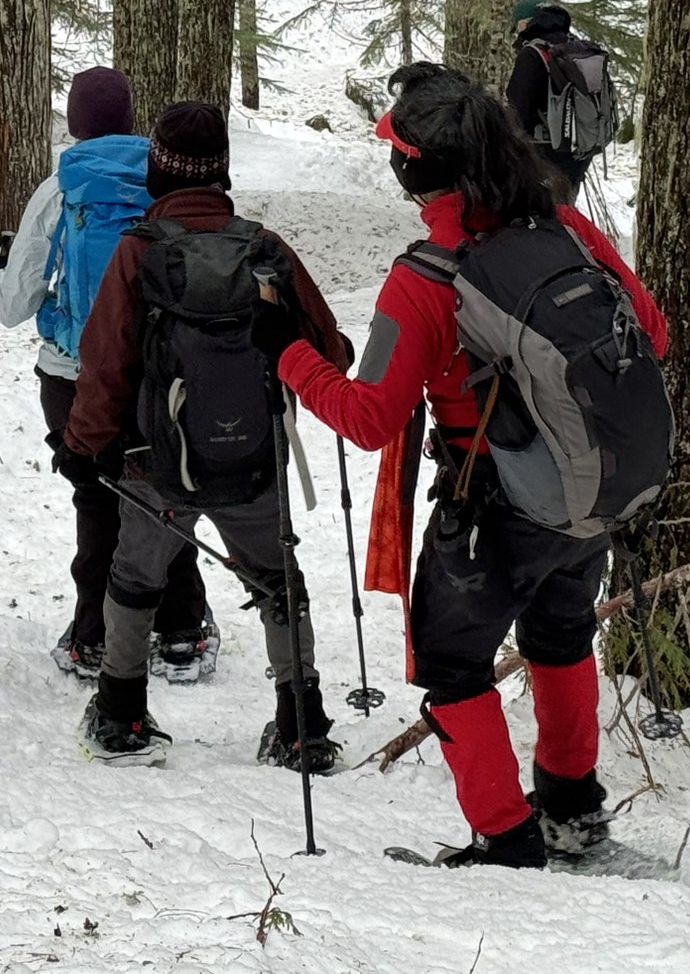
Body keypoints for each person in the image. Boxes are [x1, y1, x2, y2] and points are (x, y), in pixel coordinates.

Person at [276, 62, 669, 868]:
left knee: (456, 663)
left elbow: (367, 417)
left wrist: (286, 356)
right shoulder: (567, 229)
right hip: (585, 490)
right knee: (561, 638)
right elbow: (653, 336)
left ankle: (507, 837)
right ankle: (574, 813)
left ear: (414, 167)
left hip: (491, 506)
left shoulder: (423, 279)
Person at [60, 102, 352, 769]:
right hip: (254, 458)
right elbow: (328, 352)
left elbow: (105, 364)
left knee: (135, 577)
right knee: (278, 580)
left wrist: (82, 444)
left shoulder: (140, 253)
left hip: (157, 462)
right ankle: (302, 725)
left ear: (159, 170)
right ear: (221, 169)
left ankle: (121, 717)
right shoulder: (265, 250)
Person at [0, 69, 216, 683]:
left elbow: (16, 304)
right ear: (131, 117)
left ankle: (92, 637)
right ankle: (183, 632)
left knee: (97, 495)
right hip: (162, 375)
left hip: (74, 375)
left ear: (74, 121)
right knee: (166, 493)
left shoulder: (61, 190)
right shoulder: (167, 180)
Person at [505, 0, 602, 206]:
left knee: (544, 213)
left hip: (544, 151)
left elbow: (519, 109)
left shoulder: (533, 53)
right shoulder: (577, 46)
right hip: (581, 148)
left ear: (525, 22)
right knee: (565, 207)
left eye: (518, 24)